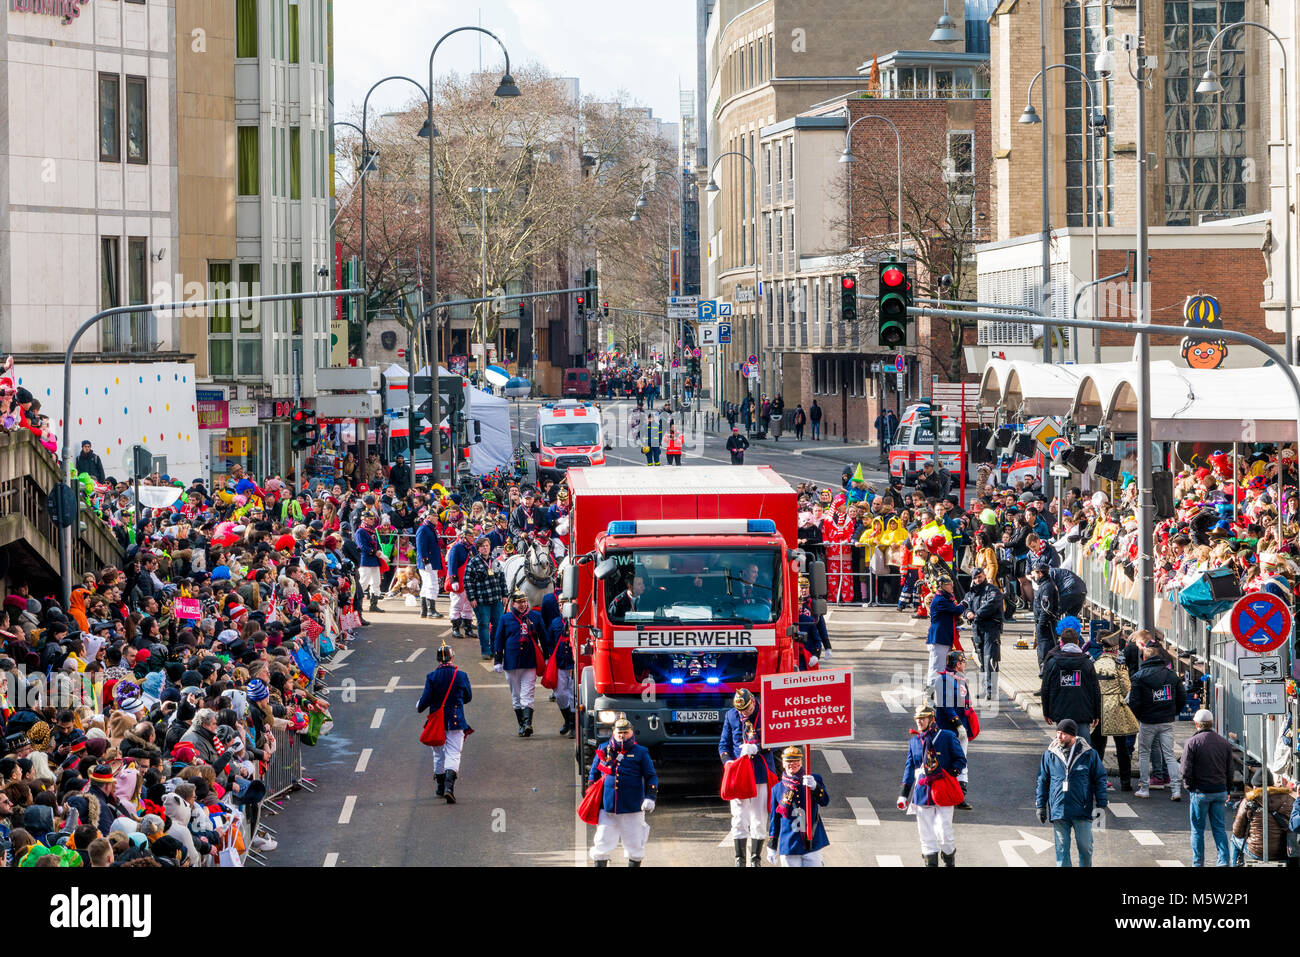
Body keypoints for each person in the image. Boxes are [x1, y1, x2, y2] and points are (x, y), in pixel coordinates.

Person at [898, 704, 965, 866]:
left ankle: (949, 860)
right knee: (926, 834)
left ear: (932, 719)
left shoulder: (947, 736)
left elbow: (960, 759)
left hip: (943, 790)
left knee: (945, 833)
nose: (919, 722)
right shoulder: (914, 741)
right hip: (922, 792)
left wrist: (950, 775)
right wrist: (903, 794)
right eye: (917, 719)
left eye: (923, 718)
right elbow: (909, 768)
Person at [1035, 718, 1108, 867]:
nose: (1059, 737)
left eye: (1063, 734)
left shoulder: (1089, 755)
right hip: (1059, 809)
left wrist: (1101, 804)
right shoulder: (1050, 754)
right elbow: (1042, 781)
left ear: (1073, 735)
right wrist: (1040, 805)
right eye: (1058, 733)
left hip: (1081, 809)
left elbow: (1100, 778)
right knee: (1061, 851)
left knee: (1086, 849)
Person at [587, 714, 657, 867]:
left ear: (632, 733)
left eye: (625, 732)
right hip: (608, 807)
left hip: (632, 807)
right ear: (614, 732)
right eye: (619, 732)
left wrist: (650, 797)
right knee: (602, 842)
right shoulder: (603, 749)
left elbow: (651, 776)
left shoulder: (641, 752)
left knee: (635, 845)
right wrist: (591, 795)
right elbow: (593, 774)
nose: (622, 735)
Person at [718, 689, 774, 866]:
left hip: (760, 772)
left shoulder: (766, 712)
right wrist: (727, 762)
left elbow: (775, 739)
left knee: (759, 816)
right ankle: (739, 859)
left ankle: (756, 858)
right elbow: (723, 744)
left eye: (746, 709)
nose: (743, 713)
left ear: (753, 702)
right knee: (739, 816)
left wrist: (757, 747)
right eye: (740, 710)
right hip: (739, 773)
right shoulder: (731, 716)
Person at [1128, 640, 1186, 800]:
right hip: (1166, 721)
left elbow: (1133, 702)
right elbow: (1182, 697)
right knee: (1169, 754)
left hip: (1147, 721)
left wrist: (1140, 716)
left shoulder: (1138, 677)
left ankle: (1144, 788)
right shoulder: (1171, 675)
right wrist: (1173, 712)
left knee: (1144, 754)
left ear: (1145, 659)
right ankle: (1176, 790)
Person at [416, 643, 473, 803]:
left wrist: (419, 706)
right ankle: (449, 788)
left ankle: (440, 787)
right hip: (456, 720)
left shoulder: (431, 677)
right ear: (452, 657)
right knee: (453, 753)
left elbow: (424, 701)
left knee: (438, 754)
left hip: (437, 722)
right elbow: (468, 697)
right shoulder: (461, 675)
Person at [1180, 708, 1233, 866]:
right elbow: (1230, 770)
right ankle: (1223, 862)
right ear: (1212, 724)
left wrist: (1189, 786)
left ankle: (1198, 863)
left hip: (1200, 792)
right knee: (1219, 828)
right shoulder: (1224, 743)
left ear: (1196, 724)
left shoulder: (1192, 743)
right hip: (1220, 791)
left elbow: (1185, 769)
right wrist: (1227, 789)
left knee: (1197, 830)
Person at [492, 588, 545, 737]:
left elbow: (544, 637)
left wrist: (547, 656)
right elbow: (499, 640)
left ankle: (528, 724)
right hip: (511, 662)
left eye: (524, 602)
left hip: (530, 661)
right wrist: (497, 659)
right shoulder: (505, 618)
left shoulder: (535, 616)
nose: (522, 605)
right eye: (519, 602)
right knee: (516, 696)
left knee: (528, 693)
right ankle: (521, 725)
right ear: (513, 604)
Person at [765, 745, 829, 866]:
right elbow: (775, 820)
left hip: (811, 842)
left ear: (801, 761)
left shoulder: (813, 779)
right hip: (789, 844)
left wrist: (815, 787)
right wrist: (772, 845)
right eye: (789, 761)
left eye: (796, 760)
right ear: (783, 763)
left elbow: (825, 801)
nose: (792, 764)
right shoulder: (777, 789)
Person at [1091, 632, 1138, 793]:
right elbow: (1127, 689)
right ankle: (1125, 783)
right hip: (1116, 708)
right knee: (1122, 748)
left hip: (1098, 709)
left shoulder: (1095, 664)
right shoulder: (1119, 665)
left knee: (1097, 747)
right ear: (1115, 648)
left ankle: (1095, 780)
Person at [1038, 617, 1101, 734]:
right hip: (1083, 712)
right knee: (1083, 747)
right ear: (1077, 642)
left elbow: (1045, 688)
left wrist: (1046, 712)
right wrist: (1097, 713)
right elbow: (1095, 690)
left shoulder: (1053, 662)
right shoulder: (1087, 663)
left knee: (1064, 745)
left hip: (1060, 712)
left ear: (1061, 642)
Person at [932, 650, 974, 809]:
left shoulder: (959, 679)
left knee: (962, 760)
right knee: (947, 761)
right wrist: (957, 724)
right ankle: (944, 793)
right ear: (957, 664)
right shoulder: (943, 680)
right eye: (963, 662)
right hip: (949, 729)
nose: (965, 665)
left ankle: (960, 796)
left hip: (962, 728)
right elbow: (945, 705)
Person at [1230, 769, 1295, 865]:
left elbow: (1237, 832)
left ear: (1255, 786)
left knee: (1234, 839)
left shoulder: (1249, 800)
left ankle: (1236, 864)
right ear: (1272, 784)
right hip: (1283, 851)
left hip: (1257, 852)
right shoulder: (1288, 799)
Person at [963, 566, 1003, 698]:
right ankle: (985, 688)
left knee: (990, 659)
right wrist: (968, 613)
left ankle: (992, 690)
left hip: (991, 629)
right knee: (981, 659)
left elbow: (992, 604)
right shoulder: (971, 593)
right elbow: (965, 606)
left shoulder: (992, 590)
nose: (978, 580)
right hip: (977, 629)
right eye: (975, 578)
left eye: (980, 577)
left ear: (984, 576)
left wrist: (976, 614)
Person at [925, 575, 965, 691]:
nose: (952, 586)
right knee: (936, 666)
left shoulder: (945, 597)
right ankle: (930, 690)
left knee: (942, 666)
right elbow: (956, 610)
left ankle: (937, 689)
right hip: (939, 638)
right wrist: (965, 603)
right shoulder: (941, 600)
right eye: (949, 584)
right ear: (942, 587)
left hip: (944, 637)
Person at [414, 509, 445, 620]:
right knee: (431, 585)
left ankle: (425, 610)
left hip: (432, 561)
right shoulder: (423, 529)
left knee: (427, 585)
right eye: (434, 516)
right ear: (428, 517)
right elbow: (421, 547)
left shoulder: (431, 529)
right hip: (428, 562)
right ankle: (431, 610)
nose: (437, 517)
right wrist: (425, 561)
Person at [1030, 561, 1058, 675]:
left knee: (1046, 654)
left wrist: (1040, 625)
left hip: (1046, 626)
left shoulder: (1047, 587)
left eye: (1035, 573)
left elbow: (1046, 609)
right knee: (1042, 653)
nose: (1033, 576)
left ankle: (1046, 682)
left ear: (1040, 573)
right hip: (1042, 624)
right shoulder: (1044, 585)